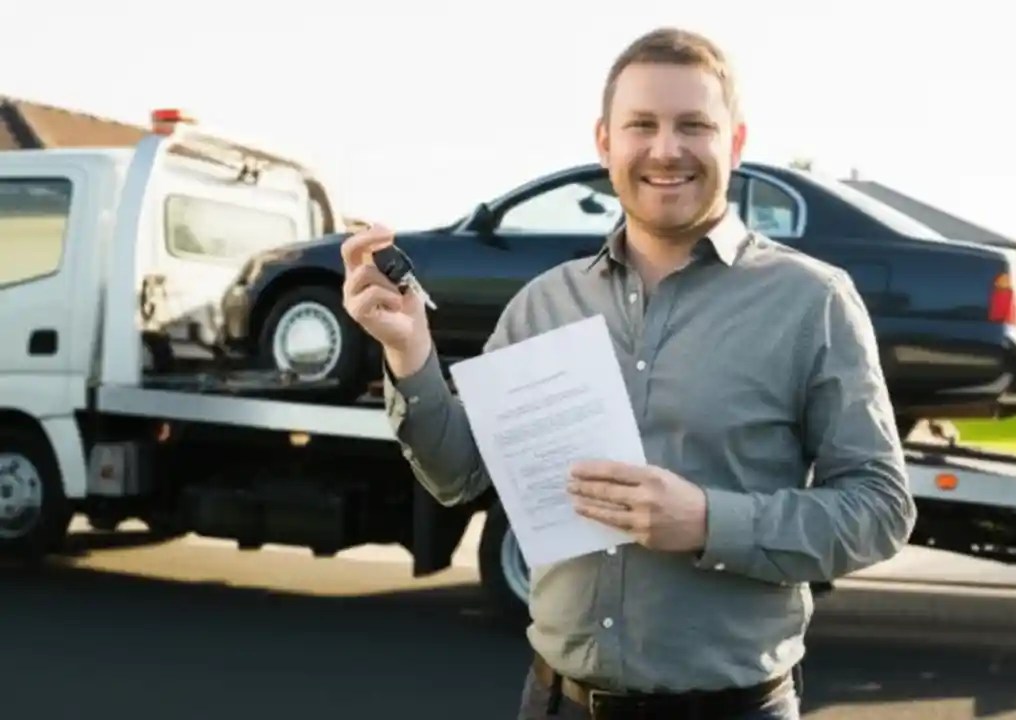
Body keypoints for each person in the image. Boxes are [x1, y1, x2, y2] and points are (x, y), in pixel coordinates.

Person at [340, 26, 917, 720]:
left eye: (693, 125)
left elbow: (880, 510)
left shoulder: (812, 302)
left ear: (734, 143)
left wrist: (707, 521)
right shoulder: (544, 304)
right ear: (604, 142)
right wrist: (410, 353)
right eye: (642, 124)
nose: (666, 149)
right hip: (556, 702)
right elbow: (459, 475)